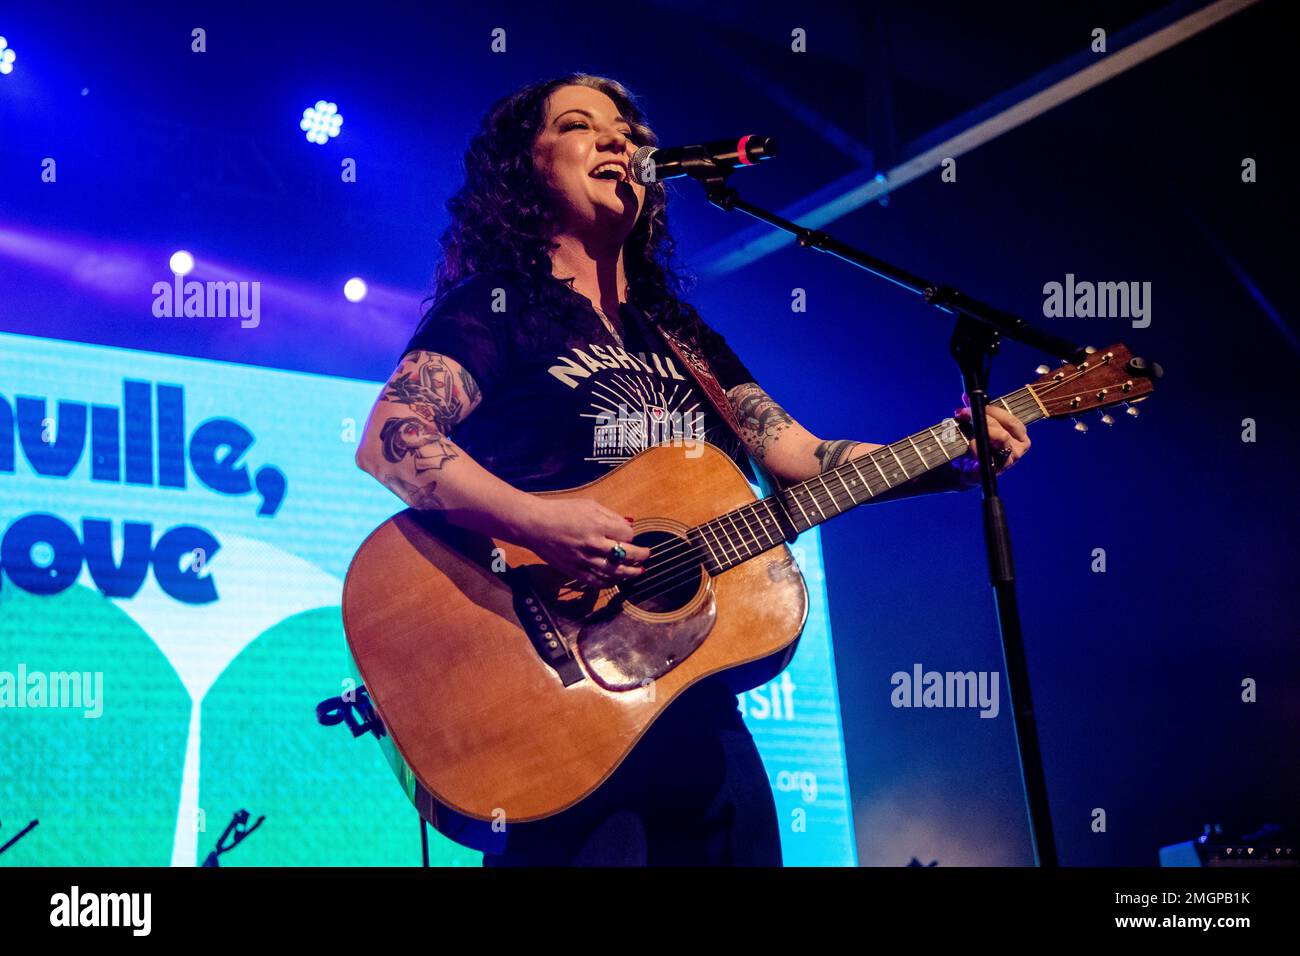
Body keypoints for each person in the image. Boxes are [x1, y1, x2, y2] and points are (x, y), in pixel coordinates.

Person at [354, 73, 1031, 866]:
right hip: (554, 709)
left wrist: (948, 454)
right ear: (525, 169)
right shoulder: (499, 305)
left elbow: (803, 460)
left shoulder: (681, 335)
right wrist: (539, 522)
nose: (618, 141)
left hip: (693, 712)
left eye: (628, 132)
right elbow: (393, 434)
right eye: (581, 126)